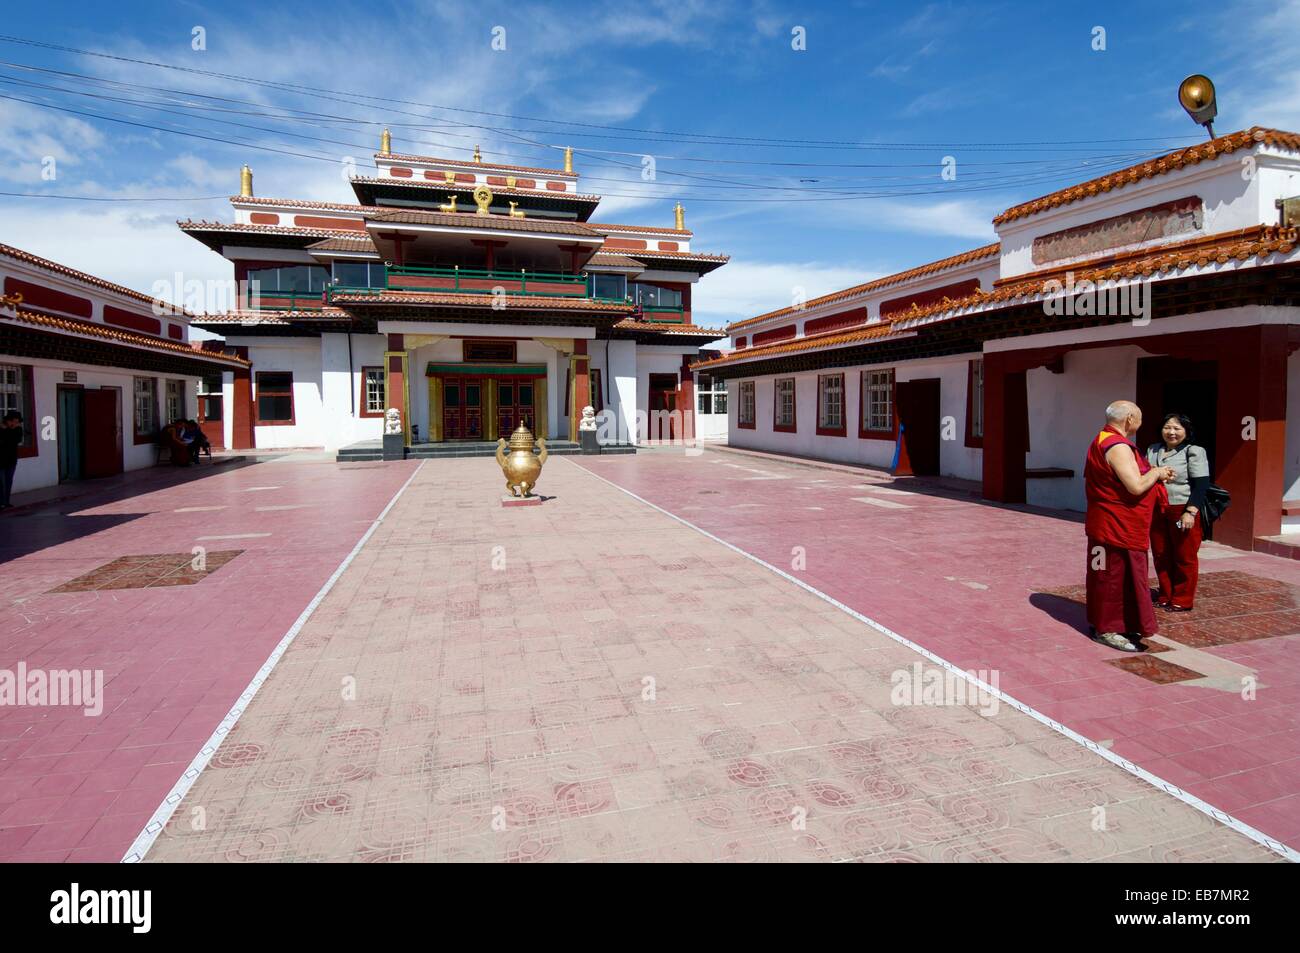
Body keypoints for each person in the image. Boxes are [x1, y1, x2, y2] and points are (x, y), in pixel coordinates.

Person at [1084, 400, 1176, 652]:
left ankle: (1112, 622)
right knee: (1114, 577)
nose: (1141, 423)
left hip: (1108, 521)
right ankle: (1107, 629)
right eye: (1140, 418)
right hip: (1117, 525)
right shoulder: (1118, 446)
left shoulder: (1101, 438)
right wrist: (1156, 473)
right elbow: (1135, 486)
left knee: (1109, 576)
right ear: (1129, 420)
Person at [1147, 413, 1210, 612]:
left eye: (1177, 428)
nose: (1171, 432)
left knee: (1185, 555)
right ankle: (1166, 594)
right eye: (1167, 427)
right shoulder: (1152, 449)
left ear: (1186, 431)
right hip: (1157, 509)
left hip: (1181, 508)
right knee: (1160, 553)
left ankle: (1182, 599)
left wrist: (1190, 512)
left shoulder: (1194, 451)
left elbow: (1201, 485)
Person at [0, 410, 23, 510]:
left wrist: (6, 431)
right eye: (13, 421)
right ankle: (1, 503)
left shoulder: (17, 430)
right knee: (1, 483)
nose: (15, 423)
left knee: (8, 481)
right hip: (0, 461)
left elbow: (15, 440)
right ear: (8, 421)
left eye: (17, 422)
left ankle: (6, 502)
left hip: (11, 460)